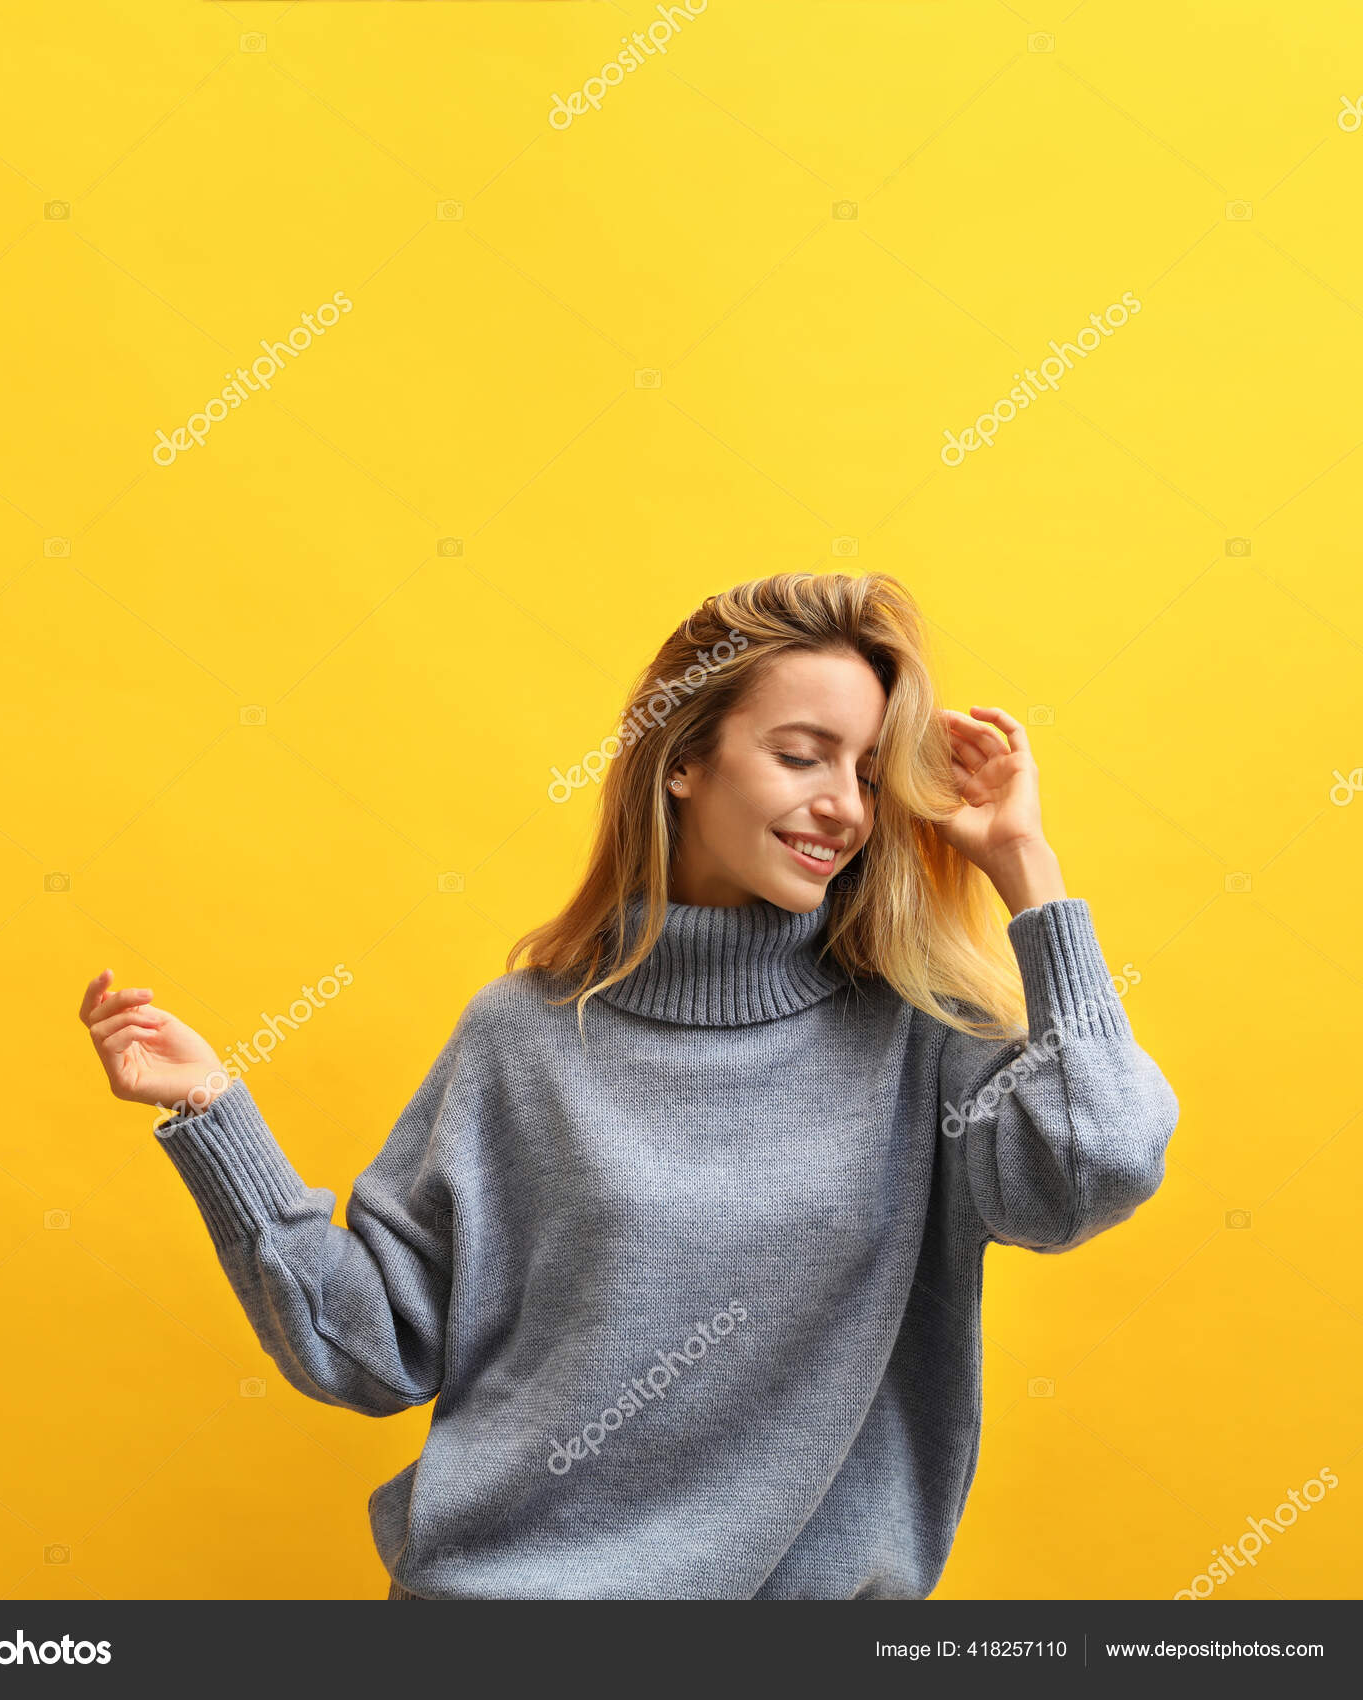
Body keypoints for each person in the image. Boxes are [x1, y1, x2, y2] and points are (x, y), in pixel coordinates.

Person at [77, 570, 1179, 1600]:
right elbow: (364, 1345)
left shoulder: (921, 1038)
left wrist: (1027, 871)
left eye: (868, 773)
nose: (844, 805)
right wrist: (214, 1113)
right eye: (803, 755)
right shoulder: (524, 1035)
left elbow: (1094, 1164)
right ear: (684, 758)